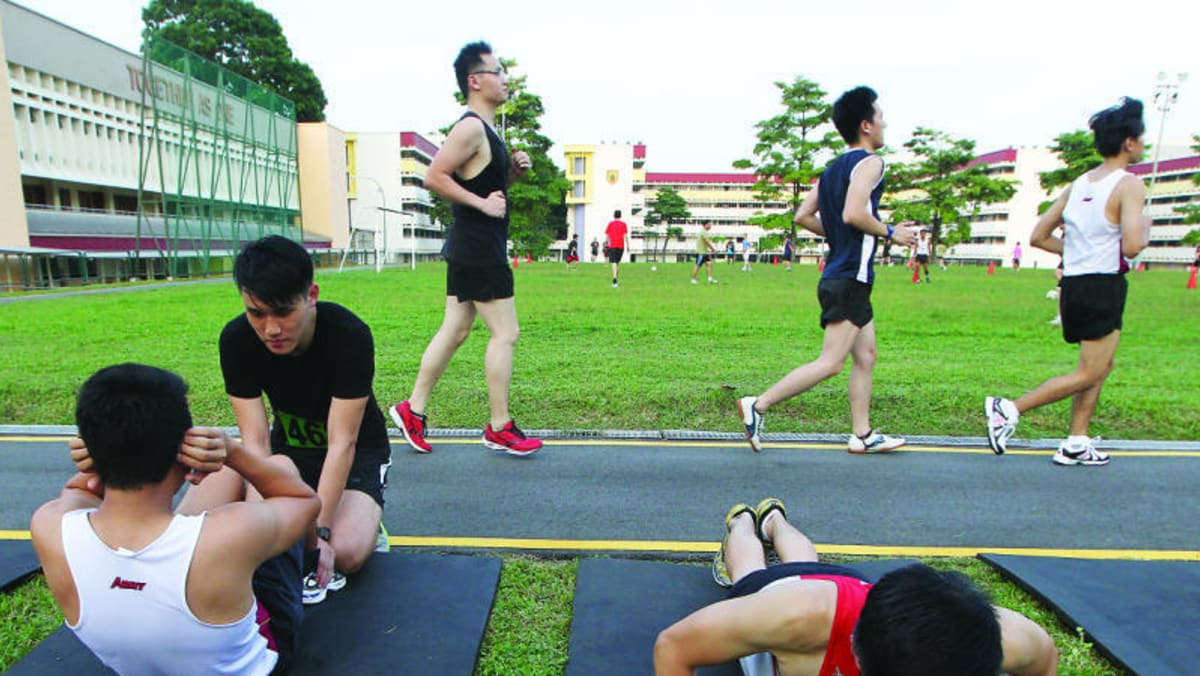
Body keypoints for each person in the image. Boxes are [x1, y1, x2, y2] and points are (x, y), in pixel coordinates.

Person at [33, 364, 321, 675]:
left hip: (153, 649)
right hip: (260, 656)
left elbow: (81, 489)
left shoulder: (49, 526)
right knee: (280, 464)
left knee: (222, 485)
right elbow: (301, 500)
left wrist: (104, 451)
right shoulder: (230, 534)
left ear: (91, 447)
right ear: (183, 452)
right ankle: (311, 571)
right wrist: (232, 453)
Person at [654, 498, 1059, 676]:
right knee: (749, 573)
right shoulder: (794, 621)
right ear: (860, 658)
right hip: (788, 598)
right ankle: (742, 522)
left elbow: (1046, 660)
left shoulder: (1000, 640)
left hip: (859, 595)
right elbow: (673, 648)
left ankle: (775, 520)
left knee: (803, 563)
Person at [737, 86, 916, 454]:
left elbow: (803, 216)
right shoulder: (871, 163)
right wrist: (891, 232)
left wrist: (840, 234)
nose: (885, 124)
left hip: (844, 275)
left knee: (866, 356)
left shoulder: (833, 168)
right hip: (850, 275)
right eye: (880, 117)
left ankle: (862, 435)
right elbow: (853, 213)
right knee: (831, 362)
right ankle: (758, 405)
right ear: (866, 125)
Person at [213, 235, 392, 604]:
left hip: (354, 454)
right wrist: (256, 528)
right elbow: (256, 443)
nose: (271, 329)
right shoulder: (236, 340)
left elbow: (344, 442)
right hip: (287, 455)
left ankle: (367, 521)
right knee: (230, 529)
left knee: (344, 554)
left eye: (283, 311)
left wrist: (320, 536)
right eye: (256, 312)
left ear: (311, 295)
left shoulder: (349, 335)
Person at [389, 41, 542, 458]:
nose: (505, 78)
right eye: (498, 71)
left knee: (456, 329)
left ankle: (412, 409)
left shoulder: (489, 131)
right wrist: (482, 204)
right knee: (505, 333)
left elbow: (483, 187)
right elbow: (435, 176)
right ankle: (500, 426)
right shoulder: (470, 127)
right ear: (475, 80)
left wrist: (511, 174)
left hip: (472, 245)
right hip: (478, 247)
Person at [986, 97, 1151, 466]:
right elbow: (1133, 245)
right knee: (1090, 370)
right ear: (1128, 142)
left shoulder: (1078, 184)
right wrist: (1146, 229)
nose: (1144, 144)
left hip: (1074, 285)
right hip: (1103, 284)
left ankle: (1077, 440)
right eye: (1141, 138)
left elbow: (1039, 236)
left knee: (1099, 365)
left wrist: (1078, 251)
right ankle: (1008, 408)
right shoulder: (1130, 185)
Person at [606, 209, 629, 287]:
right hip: (621, 246)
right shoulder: (623, 224)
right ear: (620, 215)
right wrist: (628, 245)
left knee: (613, 262)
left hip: (612, 246)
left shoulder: (610, 224)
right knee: (617, 263)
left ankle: (614, 279)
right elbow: (625, 236)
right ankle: (615, 280)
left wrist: (607, 243)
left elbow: (607, 235)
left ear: (614, 215)